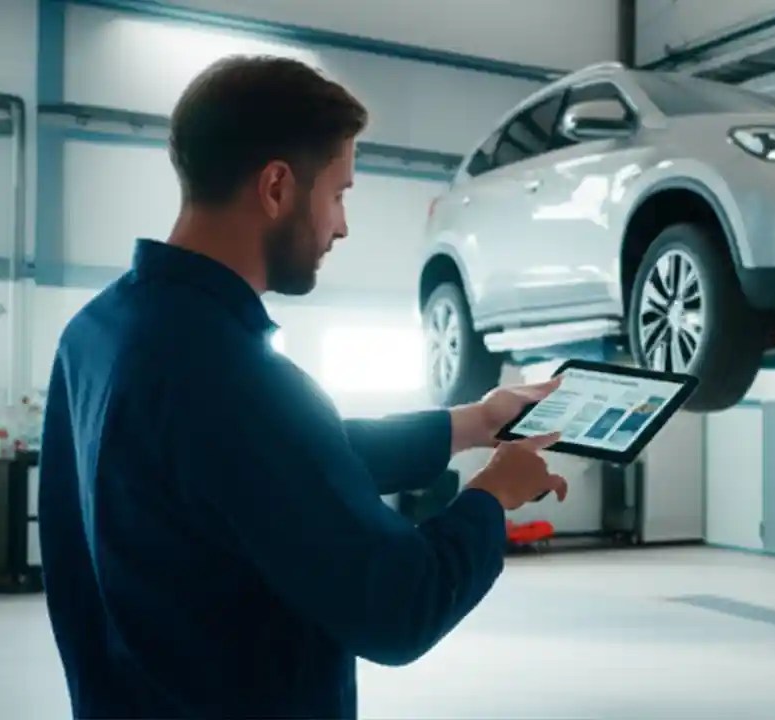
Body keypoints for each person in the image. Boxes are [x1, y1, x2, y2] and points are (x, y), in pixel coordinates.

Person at [37, 55, 568, 719]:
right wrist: (493, 495)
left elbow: (277, 463)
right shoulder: (238, 378)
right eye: (340, 193)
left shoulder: (96, 334)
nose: (342, 225)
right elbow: (398, 606)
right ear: (277, 187)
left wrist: (472, 422)